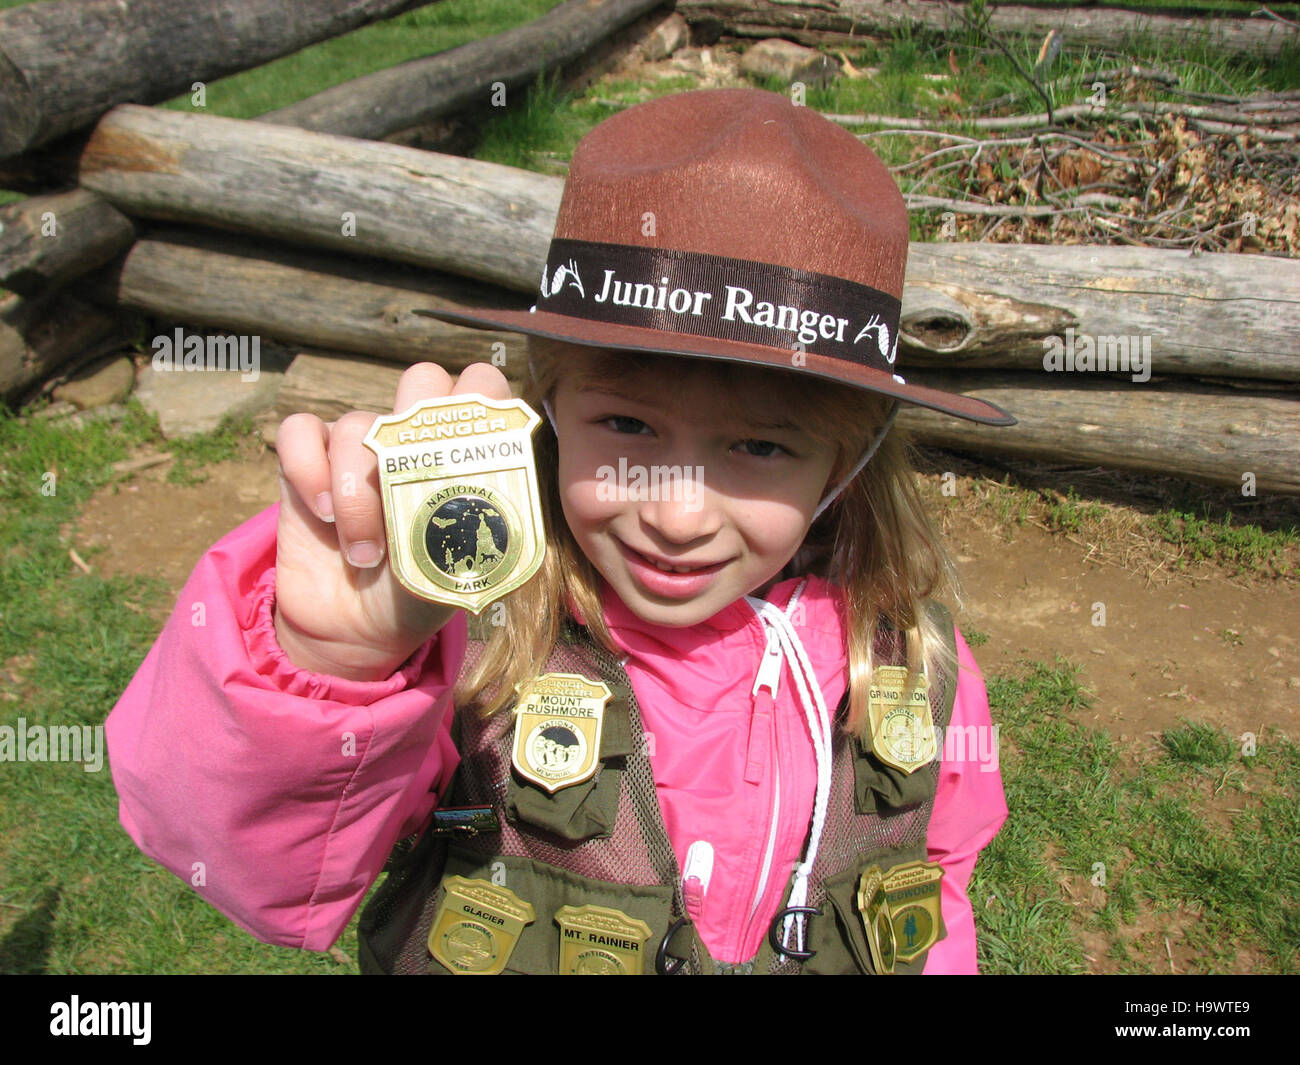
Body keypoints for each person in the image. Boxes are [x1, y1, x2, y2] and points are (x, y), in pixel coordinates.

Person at [106, 88, 1015, 975]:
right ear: (550, 405)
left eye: (760, 445)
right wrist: (332, 660)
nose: (676, 513)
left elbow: (931, 881)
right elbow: (251, 864)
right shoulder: (477, 650)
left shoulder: (911, 667)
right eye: (627, 427)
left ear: (848, 461)